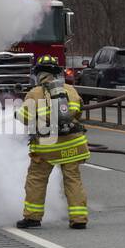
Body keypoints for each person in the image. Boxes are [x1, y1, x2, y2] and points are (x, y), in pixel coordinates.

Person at [15, 55, 89, 229]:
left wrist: (17, 114)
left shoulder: (35, 93)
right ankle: (79, 219)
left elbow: (26, 118)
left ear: (38, 74)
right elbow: (78, 113)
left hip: (48, 147)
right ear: (57, 72)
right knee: (73, 180)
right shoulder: (70, 90)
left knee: (37, 180)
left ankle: (33, 217)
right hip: (72, 145)